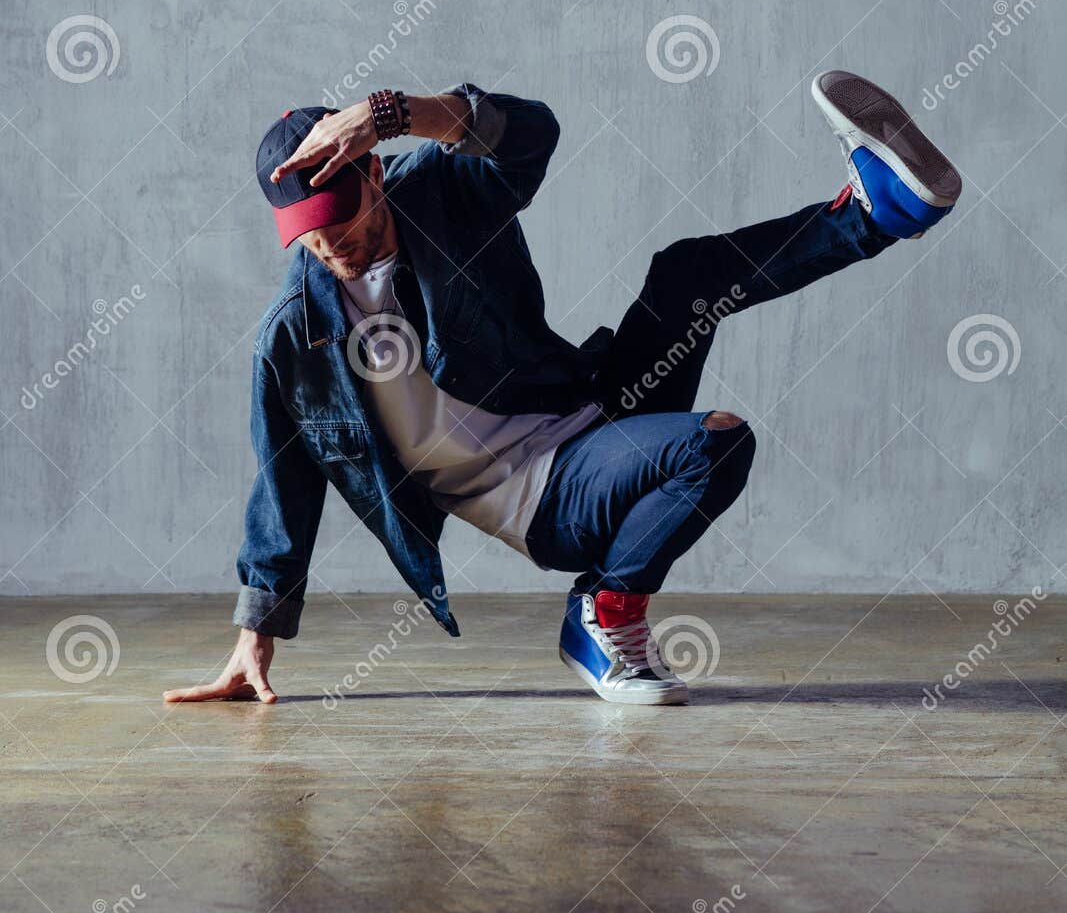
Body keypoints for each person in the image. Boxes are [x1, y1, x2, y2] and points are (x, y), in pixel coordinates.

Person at [164, 70, 961, 708]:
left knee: (685, 274)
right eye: (307, 229)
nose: (332, 242)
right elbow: (286, 475)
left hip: (588, 409)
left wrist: (396, 110)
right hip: (542, 497)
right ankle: (603, 615)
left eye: (342, 212)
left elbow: (533, 134)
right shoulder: (294, 331)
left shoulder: (438, 189)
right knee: (715, 443)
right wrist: (256, 633)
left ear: (373, 171)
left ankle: (877, 213)